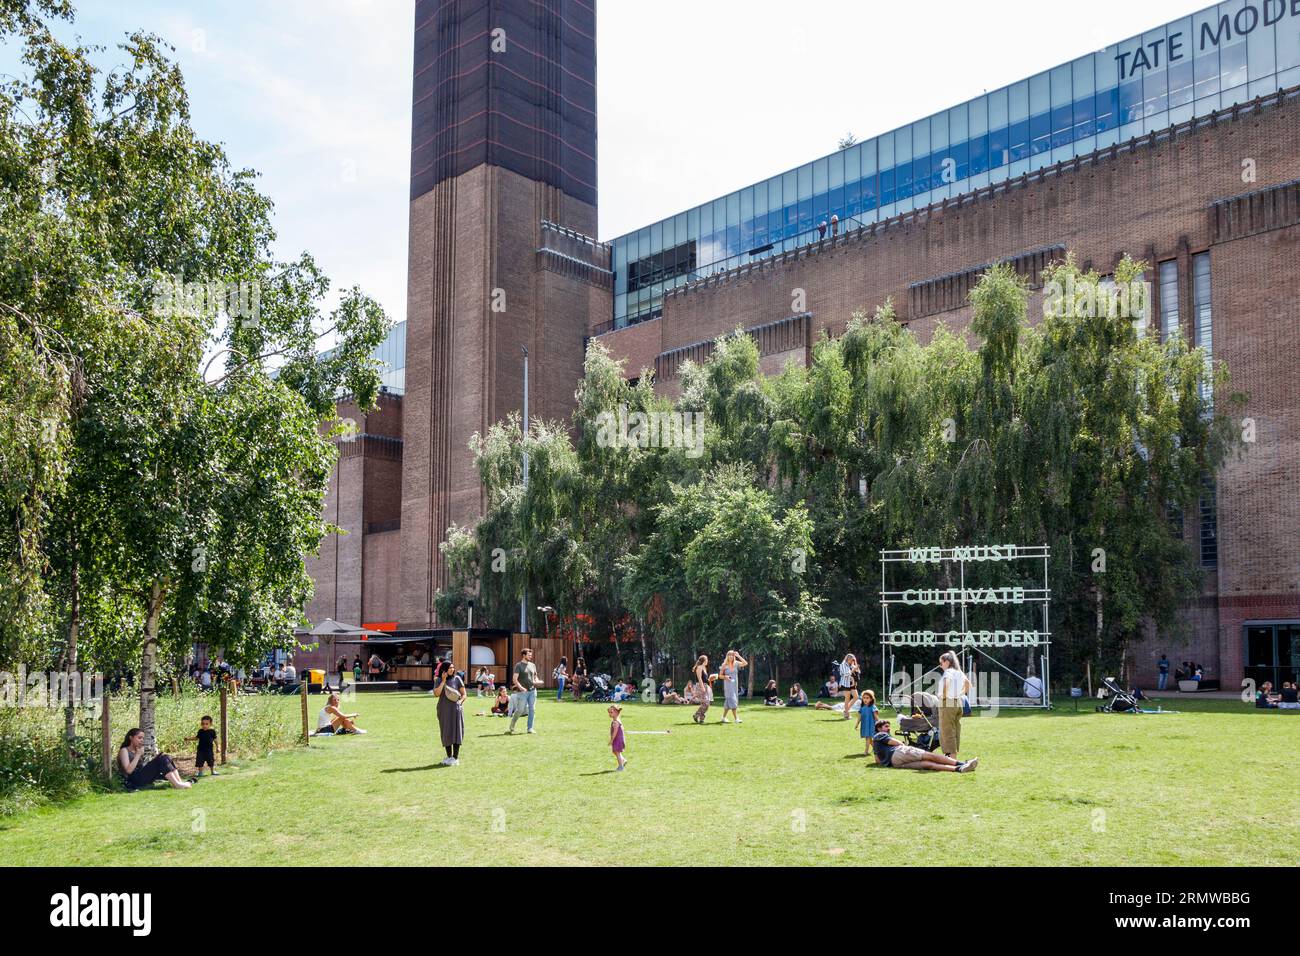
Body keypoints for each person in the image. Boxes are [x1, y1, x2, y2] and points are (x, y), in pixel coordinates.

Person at [871, 720, 978, 772]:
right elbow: (897, 743)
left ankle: (958, 769)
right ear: (879, 728)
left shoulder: (875, 743)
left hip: (894, 764)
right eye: (886, 727)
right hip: (898, 753)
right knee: (931, 756)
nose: (888, 729)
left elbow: (877, 761)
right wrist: (904, 745)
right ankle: (963, 763)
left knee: (927, 765)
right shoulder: (880, 735)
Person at [118, 729, 192, 790]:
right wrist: (138, 755)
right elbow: (128, 771)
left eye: (143, 738)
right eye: (139, 738)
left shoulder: (137, 749)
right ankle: (177, 785)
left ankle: (179, 783)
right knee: (162, 758)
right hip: (134, 779)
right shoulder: (124, 750)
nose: (141, 740)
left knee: (165, 757)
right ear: (131, 738)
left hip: (141, 775)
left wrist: (153, 761)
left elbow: (141, 766)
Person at [937, 651, 969, 758]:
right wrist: (960, 693)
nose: (940, 666)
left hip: (948, 702)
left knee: (947, 729)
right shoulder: (959, 672)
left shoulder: (949, 672)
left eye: (941, 663)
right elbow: (968, 684)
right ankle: (953, 754)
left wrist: (944, 696)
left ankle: (951, 756)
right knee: (955, 728)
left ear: (946, 662)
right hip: (958, 702)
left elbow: (947, 682)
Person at [433, 659, 466, 765]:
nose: (452, 669)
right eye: (450, 667)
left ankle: (455, 758)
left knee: (457, 732)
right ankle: (449, 757)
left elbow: (464, 694)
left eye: (453, 667)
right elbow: (437, 694)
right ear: (444, 669)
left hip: (456, 709)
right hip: (443, 710)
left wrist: (460, 702)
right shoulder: (438, 680)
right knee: (446, 732)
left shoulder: (457, 679)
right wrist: (443, 681)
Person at [508, 647, 539, 734]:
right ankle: (512, 724)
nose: (530, 656)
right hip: (522, 692)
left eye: (531, 655)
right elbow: (514, 679)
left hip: (533, 691)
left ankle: (530, 728)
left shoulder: (533, 665)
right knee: (520, 710)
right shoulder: (518, 665)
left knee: (532, 709)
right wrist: (520, 687)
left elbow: (535, 676)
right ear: (523, 655)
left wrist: (537, 681)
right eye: (529, 655)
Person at [718, 650, 748, 724]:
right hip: (728, 685)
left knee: (728, 702)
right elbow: (720, 676)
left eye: (732, 655)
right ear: (727, 656)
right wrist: (725, 677)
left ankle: (723, 717)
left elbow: (745, 663)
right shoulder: (724, 665)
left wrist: (738, 656)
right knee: (733, 700)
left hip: (734, 685)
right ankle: (736, 719)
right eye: (729, 655)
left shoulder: (736, 663)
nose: (731, 656)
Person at [691, 655, 714, 724]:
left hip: (705, 686)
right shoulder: (699, 667)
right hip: (701, 686)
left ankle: (701, 719)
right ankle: (696, 715)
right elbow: (699, 678)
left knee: (706, 703)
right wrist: (703, 688)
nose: (707, 661)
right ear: (704, 661)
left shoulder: (704, 668)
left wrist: (711, 679)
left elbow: (705, 679)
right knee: (706, 703)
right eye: (706, 659)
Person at [856, 689, 879, 756]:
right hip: (865, 725)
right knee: (869, 739)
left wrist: (880, 724)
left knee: (868, 738)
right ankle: (876, 749)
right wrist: (857, 724)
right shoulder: (862, 707)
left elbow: (876, 716)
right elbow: (860, 716)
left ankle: (866, 751)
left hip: (871, 725)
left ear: (871, 699)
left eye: (867, 698)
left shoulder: (872, 707)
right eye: (864, 698)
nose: (865, 699)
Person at [838, 654, 860, 720]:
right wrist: (853, 670)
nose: (852, 661)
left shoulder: (851, 664)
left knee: (856, 697)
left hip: (852, 683)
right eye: (852, 660)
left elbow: (858, 672)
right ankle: (846, 714)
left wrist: (856, 669)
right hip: (845, 683)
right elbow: (846, 674)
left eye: (853, 660)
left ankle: (846, 710)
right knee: (847, 698)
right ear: (848, 659)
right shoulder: (843, 665)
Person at [608, 704, 627, 772]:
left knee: (617, 752)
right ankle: (623, 760)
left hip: (617, 739)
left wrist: (611, 740)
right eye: (609, 712)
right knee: (615, 751)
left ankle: (621, 767)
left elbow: (615, 732)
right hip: (618, 739)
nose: (609, 714)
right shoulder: (616, 720)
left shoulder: (616, 722)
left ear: (616, 713)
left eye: (611, 712)